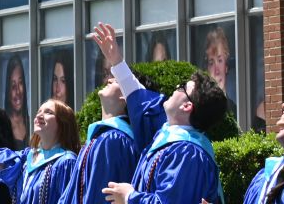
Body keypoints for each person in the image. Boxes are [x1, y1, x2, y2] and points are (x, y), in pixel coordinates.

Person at [92, 22, 226, 204]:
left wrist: (130, 197)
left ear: (187, 107)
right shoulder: (168, 133)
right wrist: (116, 60)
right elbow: (142, 99)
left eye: (181, 88)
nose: (175, 88)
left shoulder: (187, 152)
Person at [59, 29, 148, 204]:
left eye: (115, 80)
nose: (108, 80)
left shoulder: (113, 140)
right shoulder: (104, 137)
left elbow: (97, 196)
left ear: (126, 97)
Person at [203, 26, 235, 107]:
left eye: (220, 61)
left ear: (226, 66)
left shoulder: (235, 112)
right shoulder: (200, 110)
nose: (217, 71)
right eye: (211, 62)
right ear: (207, 69)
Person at [3, 57, 29, 150]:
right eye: (13, 86)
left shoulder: (32, 122)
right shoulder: (2, 126)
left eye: (20, 83)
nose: (18, 91)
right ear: (7, 90)